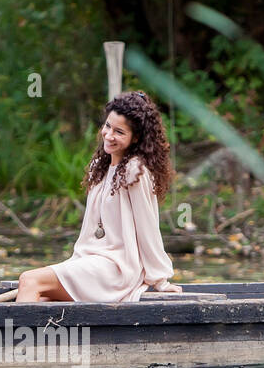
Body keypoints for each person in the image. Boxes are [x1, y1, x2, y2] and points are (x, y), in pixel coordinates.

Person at [16, 91, 180, 303]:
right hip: (90, 262)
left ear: (135, 138)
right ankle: (26, 336)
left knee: (29, 280)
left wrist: (160, 280)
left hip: (117, 268)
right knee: (39, 297)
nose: (109, 135)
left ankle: (14, 337)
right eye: (108, 126)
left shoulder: (135, 170)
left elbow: (147, 227)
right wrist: (74, 264)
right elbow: (91, 229)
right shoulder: (99, 168)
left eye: (119, 132)